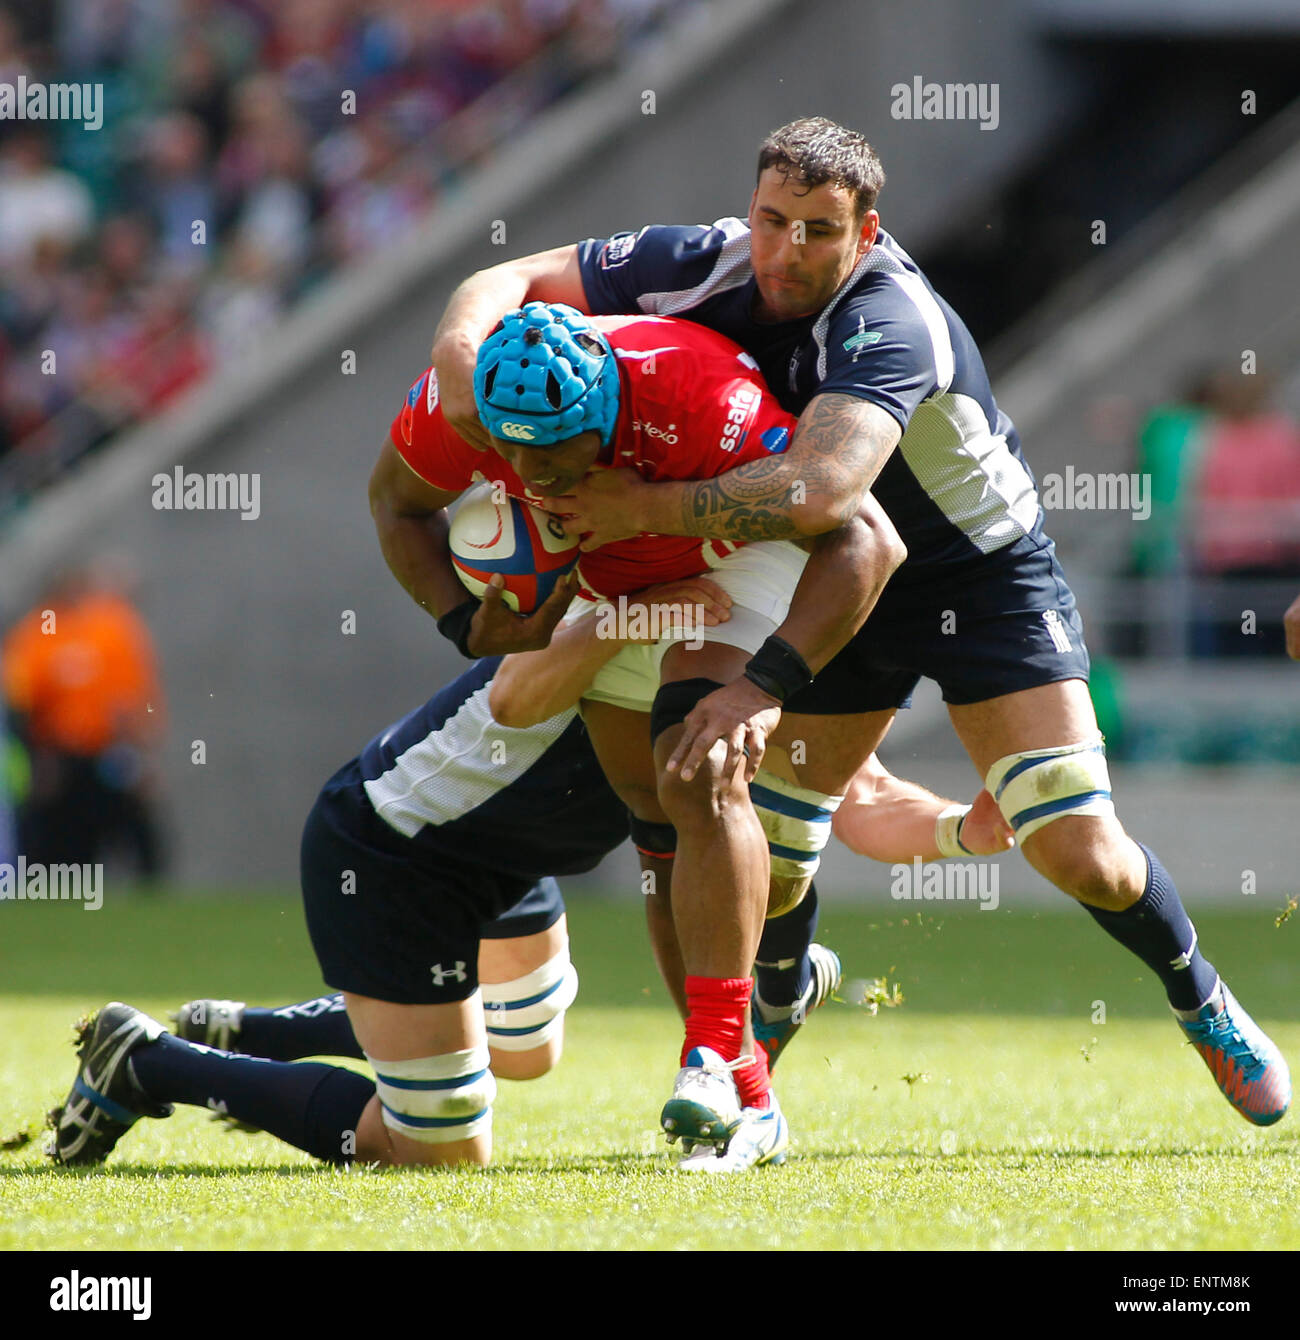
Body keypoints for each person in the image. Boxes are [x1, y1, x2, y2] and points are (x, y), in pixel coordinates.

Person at [427, 117, 1290, 1129]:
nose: (788, 251)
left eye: (819, 230)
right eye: (772, 220)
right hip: (834, 578)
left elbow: (818, 487)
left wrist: (645, 513)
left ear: (866, 230)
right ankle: (769, 1035)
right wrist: (457, 362)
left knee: (1076, 848)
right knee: (774, 852)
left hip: (977, 571)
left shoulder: (891, 316)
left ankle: (1203, 999)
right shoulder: (701, 261)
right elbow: (507, 277)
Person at [50, 614, 1009, 1174]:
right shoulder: (643, 603)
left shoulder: (773, 646)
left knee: (530, 1047)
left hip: (510, 859)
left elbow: (863, 795)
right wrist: (623, 615)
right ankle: (153, 1063)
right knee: (437, 1145)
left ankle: (252, 1030)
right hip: (397, 852)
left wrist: (963, 830)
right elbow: (517, 696)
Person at [371, 299, 904, 1164]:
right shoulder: (464, 407)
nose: (525, 471)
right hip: (608, 582)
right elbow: (394, 505)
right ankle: (739, 1079)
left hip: (730, 549)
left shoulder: (697, 398)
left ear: (606, 417)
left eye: (550, 452)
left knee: (698, 766)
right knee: (655, 824)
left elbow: (870, 543)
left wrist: (760, 689)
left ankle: (715, 1060)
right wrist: (460, 625)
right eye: (509, 450)